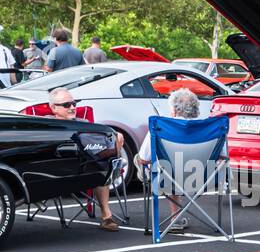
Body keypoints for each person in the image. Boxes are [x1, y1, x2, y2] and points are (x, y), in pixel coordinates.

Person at [134, 88, 209, 232]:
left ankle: (176, 216)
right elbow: (223, 156)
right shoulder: (209, 127)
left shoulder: (161, 126)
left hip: (167, 177)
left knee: (144, 161)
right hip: (204, 177)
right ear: (196, 109)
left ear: (174, 110)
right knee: (173, 165)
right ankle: (177, 217)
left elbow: (144, 159)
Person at [46, 88, 121, 231]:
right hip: (55, 172)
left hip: (86, 169)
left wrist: (116, 138)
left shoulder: (84, 123)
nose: (73, 108)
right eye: (67, 105)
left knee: (101, 168)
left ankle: (106, 217)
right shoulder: (46, 124)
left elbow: (101, 144)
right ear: (53, 108)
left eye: (74, 103)